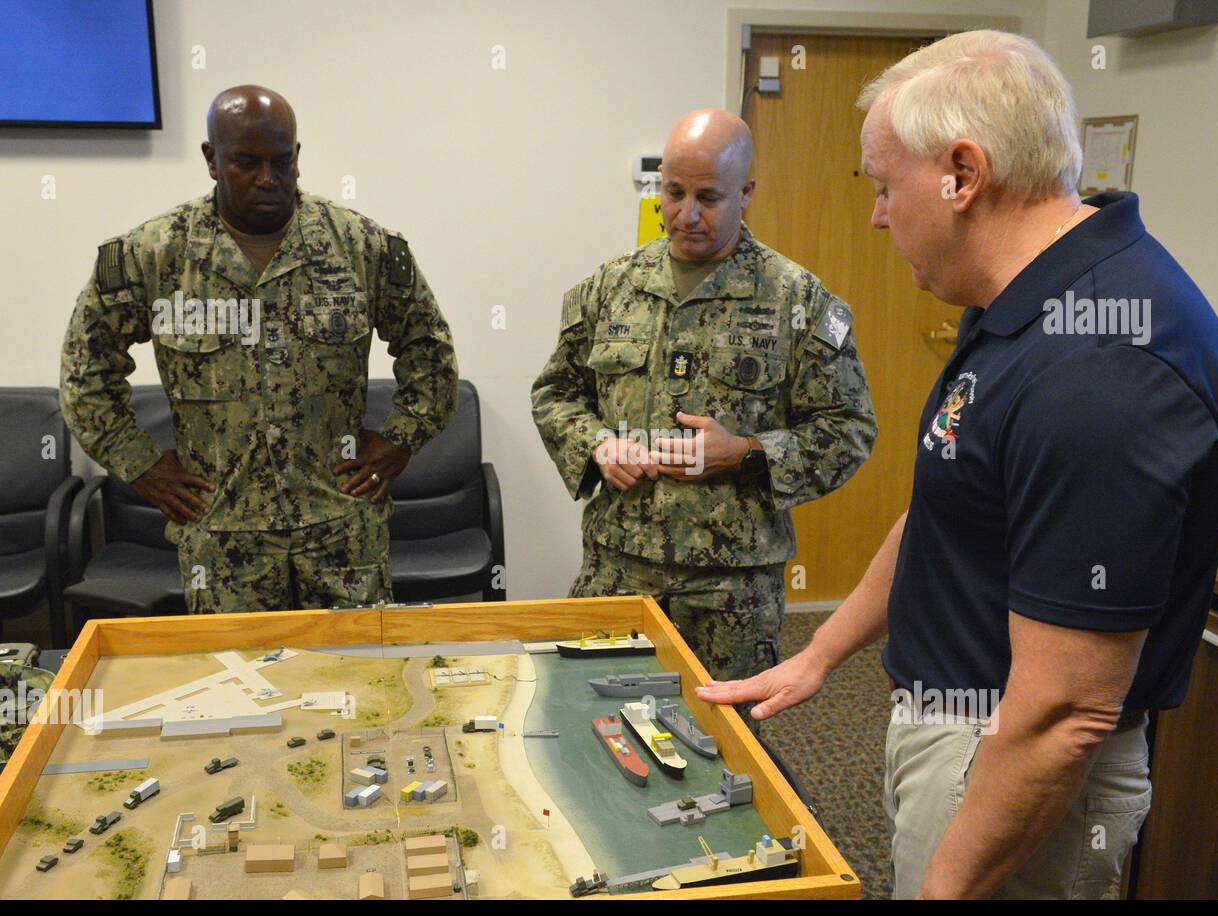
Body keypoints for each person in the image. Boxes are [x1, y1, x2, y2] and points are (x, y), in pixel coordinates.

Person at [699, 30, 1218, 898]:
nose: (877, 215)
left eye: (884, 186)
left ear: (962, 173)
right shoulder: (1022, 301)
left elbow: (1066, 714)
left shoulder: (1102, 366)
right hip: (953, 729)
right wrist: (821, 654)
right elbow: (949, 508)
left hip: (1012, 758)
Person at [60, 85, 458, 613]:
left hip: (341, 531)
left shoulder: (360, 246)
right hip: (223, 538)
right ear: (211, 159)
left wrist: (400, 441)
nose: (268, 180)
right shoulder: (154, 256)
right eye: (247, 163)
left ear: (297, 157)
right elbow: (85, 371)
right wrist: (142, 467)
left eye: (282, 162)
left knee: (359, 681)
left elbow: (430, 350)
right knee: (237, 688)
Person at [531, 108, 877, 686]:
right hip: (619, 567)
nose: (686, 214)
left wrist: (743, 452)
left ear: (747, 193)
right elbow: (556, 393)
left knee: (726, 743)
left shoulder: (796, 299)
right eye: (673, 192)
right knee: (597, 722)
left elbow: (848, 428)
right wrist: (597, 446)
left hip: (731, 588)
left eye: (709, 197)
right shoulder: (611, 287)